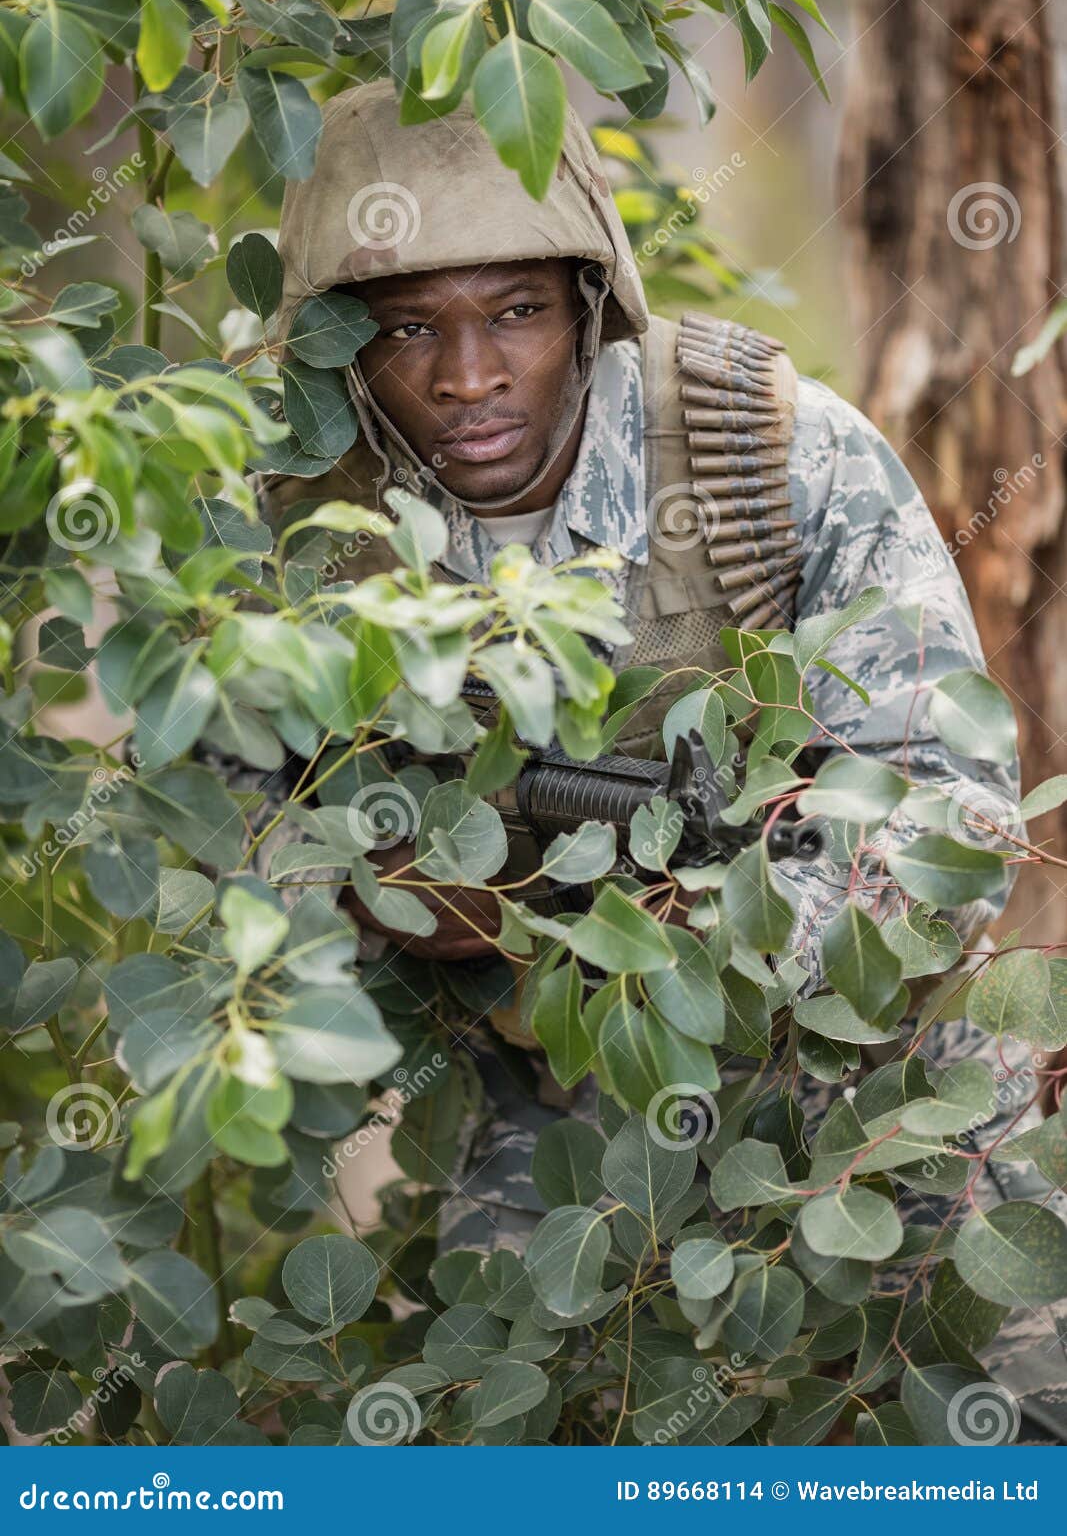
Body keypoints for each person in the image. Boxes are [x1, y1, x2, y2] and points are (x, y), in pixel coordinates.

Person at [252, 80, 1065, 1435]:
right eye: (409, 329)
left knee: (1038, 1360)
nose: (468, 377)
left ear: (588, 300)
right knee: (505, 1424)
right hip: (548, 1095)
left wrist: (681, 929)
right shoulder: (299, 530)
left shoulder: (771, 453)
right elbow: (200, 852)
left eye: (515, 311)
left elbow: (947, 818)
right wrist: (365, 899)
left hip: (864, 1053)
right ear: (342, 342)